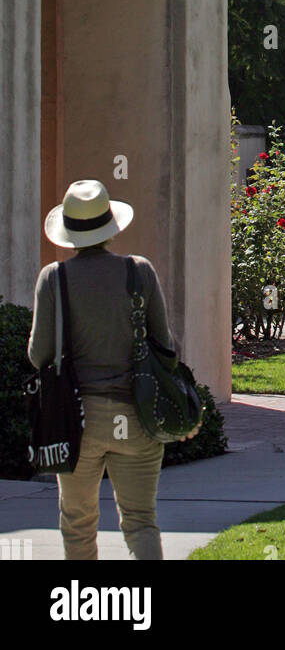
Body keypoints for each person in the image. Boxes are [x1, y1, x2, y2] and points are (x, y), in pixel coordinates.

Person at [27, 179, 198, 560]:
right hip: (137, 414)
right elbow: (167, 348)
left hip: (77, 421)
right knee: (141, 521)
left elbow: (39, 356)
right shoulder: (139, 272)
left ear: (69, 232)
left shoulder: (53, 279)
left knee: (78, 523)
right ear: (110, 227)